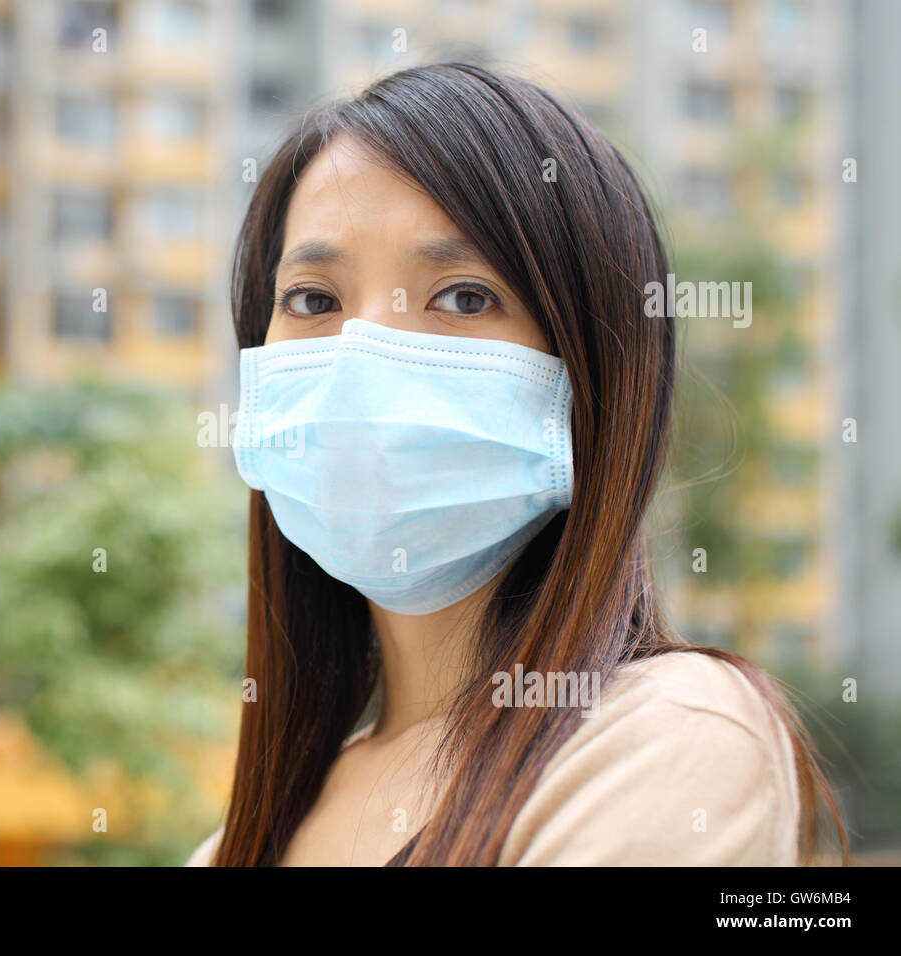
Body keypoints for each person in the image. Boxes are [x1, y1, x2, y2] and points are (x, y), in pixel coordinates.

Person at [187, 62, 845, 867]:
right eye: (314, 300)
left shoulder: (664, 739)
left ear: (591, 373)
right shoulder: (246, 835)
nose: (363, 355)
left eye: (463, 297)